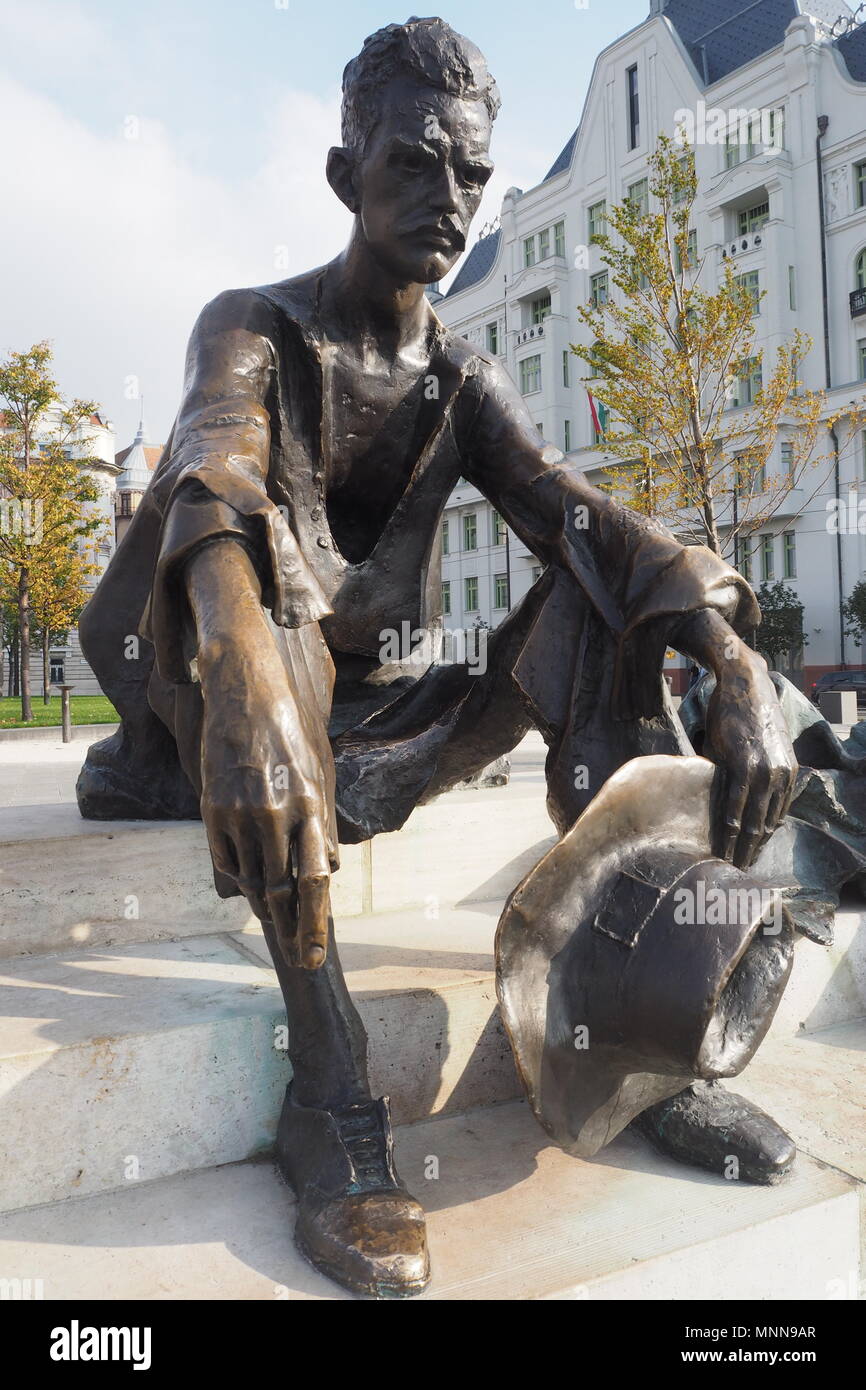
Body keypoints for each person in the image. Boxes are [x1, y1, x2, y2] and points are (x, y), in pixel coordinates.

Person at [78, 18, 798, 1299]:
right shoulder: (249, 326)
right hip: (228, 680)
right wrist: (245, 678)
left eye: (471, 174)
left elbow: (580, 513)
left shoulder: (458, 378)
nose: (451, 203)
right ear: (342, 170)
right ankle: (332, 1092)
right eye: (415, 164)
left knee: (600, 587)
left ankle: (634, 1022)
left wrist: (728, 656)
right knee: (257, 592)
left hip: (373, 713)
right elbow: (213, 470)